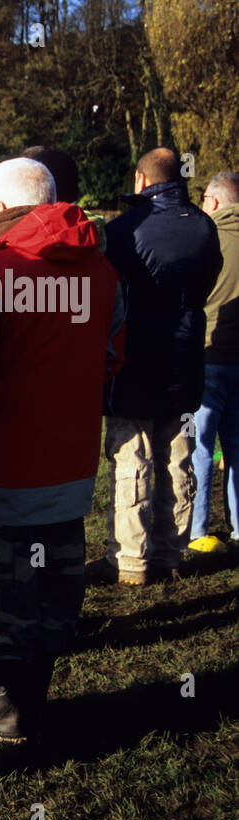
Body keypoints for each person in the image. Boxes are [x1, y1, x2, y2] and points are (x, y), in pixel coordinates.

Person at [0, 157, 124, 745]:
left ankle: (1, 709)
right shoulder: (102, 272)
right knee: (52, 587)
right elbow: (110, 358)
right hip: (70, 464)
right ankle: (26, 702)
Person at [91, 148, 224, 585]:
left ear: (141, 181)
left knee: (133, 455)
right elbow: (209, 278)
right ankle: (171, 551)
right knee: (177, 456)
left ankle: (131, 558)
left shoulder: (125, 230)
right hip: (187, 356)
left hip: (136, 357)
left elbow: (109, 294)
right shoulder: (205, 226)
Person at [188, 171, 239, 552]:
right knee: (237, 446)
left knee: (200, 445)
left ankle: (198, 530)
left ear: (216, 202)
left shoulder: (206, 239)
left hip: (208, 354)